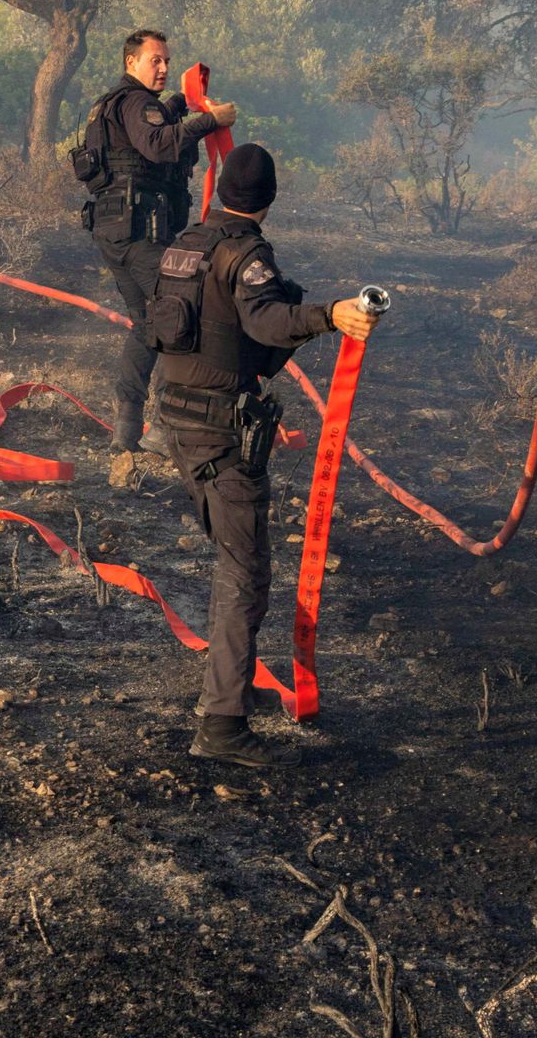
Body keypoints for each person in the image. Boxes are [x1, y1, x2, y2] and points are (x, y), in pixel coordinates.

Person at [153, 144, 382, 768]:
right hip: (219, 433)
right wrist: (329, 315)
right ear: (271, 200)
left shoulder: (184, 244)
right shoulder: (246, 254)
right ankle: (222, 724)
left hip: (176, 420)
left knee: (234, 558)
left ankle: (231, 689)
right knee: (245, 572)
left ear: (219, 186)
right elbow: (265, 324)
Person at [75, 30, 237, 484]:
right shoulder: (133, 103)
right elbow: (159, 145)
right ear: (131, 62)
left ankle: (126, 428)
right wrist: (210, 121)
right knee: (178, 319)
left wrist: (184, 109)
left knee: (147, 323)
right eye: (154, 61)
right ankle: (165, 429)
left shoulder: (117, 105)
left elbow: (155, 134)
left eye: (166, 61)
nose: (163, 68)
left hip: (115, 231)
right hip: (140, 233)